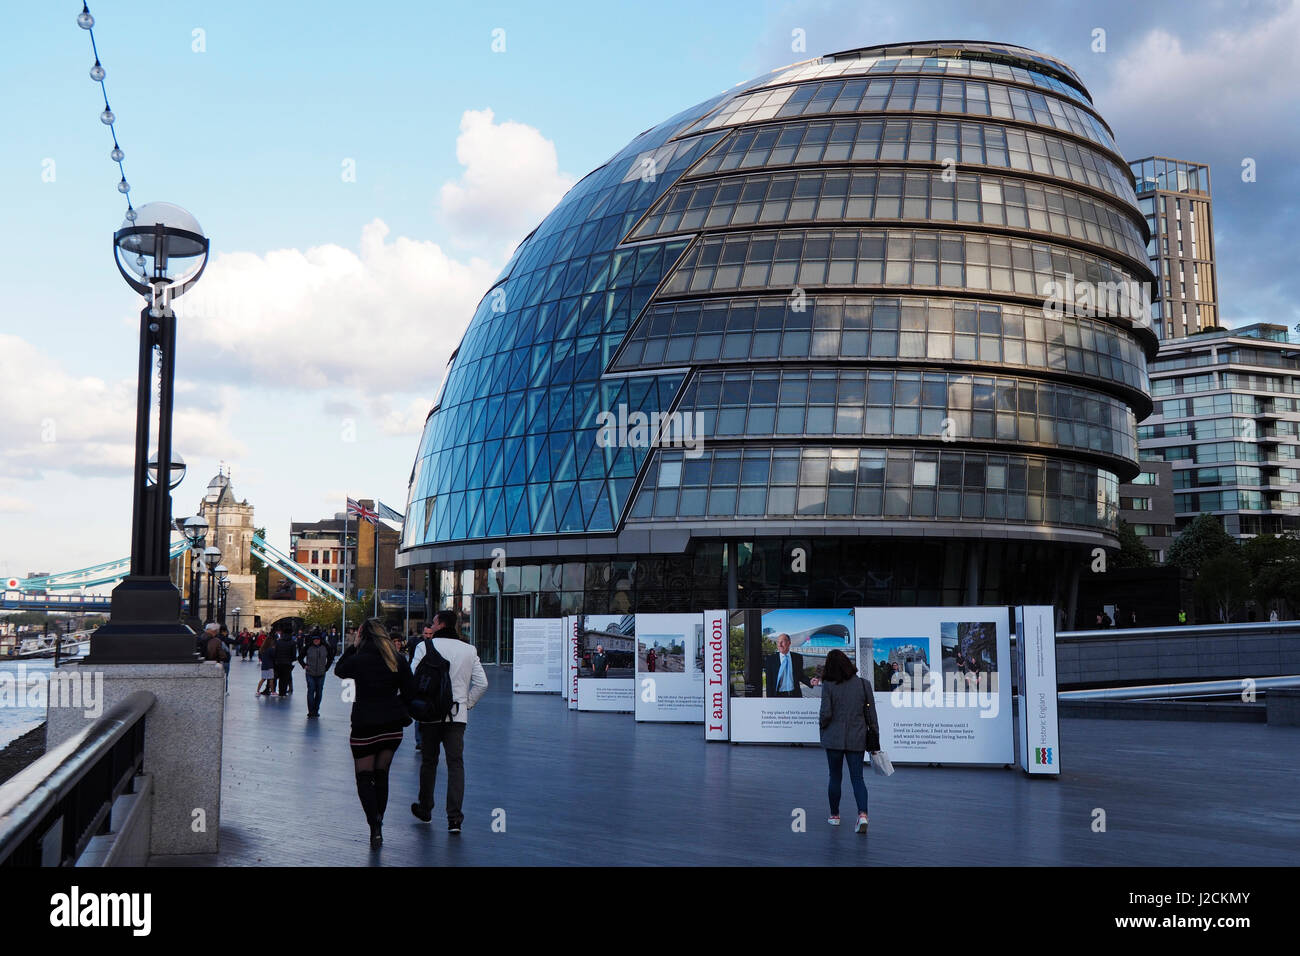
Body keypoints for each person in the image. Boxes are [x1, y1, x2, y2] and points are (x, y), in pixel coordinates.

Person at [334, 617, 414, 847]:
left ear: (363, 635)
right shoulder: (396, 659)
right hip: (391, 726)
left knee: (364, 777)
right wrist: (397, 706)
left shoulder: (360, 659)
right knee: (382, 775)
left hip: (365, 725)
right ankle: (380, 819)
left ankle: (374, 824)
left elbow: (339, 670)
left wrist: (353, 645)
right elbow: (411, 690)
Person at [409, 609, 488, 834]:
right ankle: (454, 819)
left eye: (433, 623)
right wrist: (466, 704)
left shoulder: (425, 647)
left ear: (441, 624)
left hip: (430, 715)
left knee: (429, 762)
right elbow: (482, 684)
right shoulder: (469, 650)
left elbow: (413, 677)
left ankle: (425, 809)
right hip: (457, 717)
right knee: (455, 765)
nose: (431, 627)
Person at [818, 648, 877, 833]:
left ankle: (834, 816)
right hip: (857, 738)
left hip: (833, 738)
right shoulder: (863, 684)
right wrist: (875, 739)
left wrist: (822, 725)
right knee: (858, 778)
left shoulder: (828, 684)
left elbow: (826, 713)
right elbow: (871, 716)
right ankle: (862, 815)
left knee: (835, 777)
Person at [764, 633, 817, 698]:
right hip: (777, 696)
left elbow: (800, 675)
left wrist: (810, 681)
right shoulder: (771, 659)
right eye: (778, 642)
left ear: (789, 643)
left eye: (782, 642)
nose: (780, 645)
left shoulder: (798, 657)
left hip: (794, 694)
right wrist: (769, 699)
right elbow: (769, 682)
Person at [299, 629, 335, 718]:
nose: (316, 641)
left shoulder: (325, 647)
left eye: (318, 639)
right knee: (311, 691)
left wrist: (326, 668)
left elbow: (331, 658)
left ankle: (316, 710)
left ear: (320, 639)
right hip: (310, 673)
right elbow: (300, 657)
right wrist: (304, 665)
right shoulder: (308, 647)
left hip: (321, 673)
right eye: (314, 639)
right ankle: (311, 711)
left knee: (319, 692)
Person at [201, 623, 232, 694]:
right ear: (213, 631)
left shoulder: (200, 637)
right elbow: (223, 655)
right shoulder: (216, 641)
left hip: (203, 664)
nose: (217, 632)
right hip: (214, 664)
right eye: (216, 631)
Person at [274, 628, 298, 697]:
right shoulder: (292, 642)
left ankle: (280, 691)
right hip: (287, 663)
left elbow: (276, 652)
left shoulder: (278, 642)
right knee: (285, 678)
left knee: (279, 677)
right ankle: (283, 692)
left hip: (279, 662)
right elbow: (294, 655)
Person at [257, 632, 276, 696]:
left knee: (263, 679)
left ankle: (257, 691)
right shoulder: (271, 649)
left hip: (264, 666)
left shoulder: (262, 649)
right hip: (270, 665)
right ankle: (273, 692)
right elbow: (274, 656)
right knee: (271, 679)